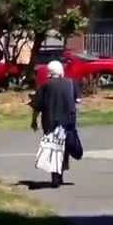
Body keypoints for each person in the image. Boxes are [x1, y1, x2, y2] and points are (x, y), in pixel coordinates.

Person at [32, 60, 79, 188]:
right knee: (64, 149)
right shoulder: (71, 83)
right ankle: (60, 174)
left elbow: (37, 106)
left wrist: (34, 120)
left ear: (49, 72)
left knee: (53, 148)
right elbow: (78, 100)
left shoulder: (45, 86)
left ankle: (55, 176)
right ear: (61, 72)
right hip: (67, 122)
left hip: (50, 122)